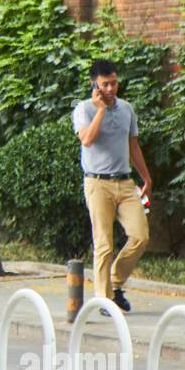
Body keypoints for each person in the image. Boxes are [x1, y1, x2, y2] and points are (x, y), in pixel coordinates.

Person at [71, 58, 153, 315]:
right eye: (105, 84)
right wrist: (101, 110)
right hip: (97, 183)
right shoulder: (84, 109)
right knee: (104, 244)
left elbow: (133, 146)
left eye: (114, 83)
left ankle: (114, 284)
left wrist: (147, 178)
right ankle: (104, 300)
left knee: (140, 235)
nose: (110, 89)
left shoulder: (127, 109)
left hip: (125, 182)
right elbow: (87, 139)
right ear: (93, 83)